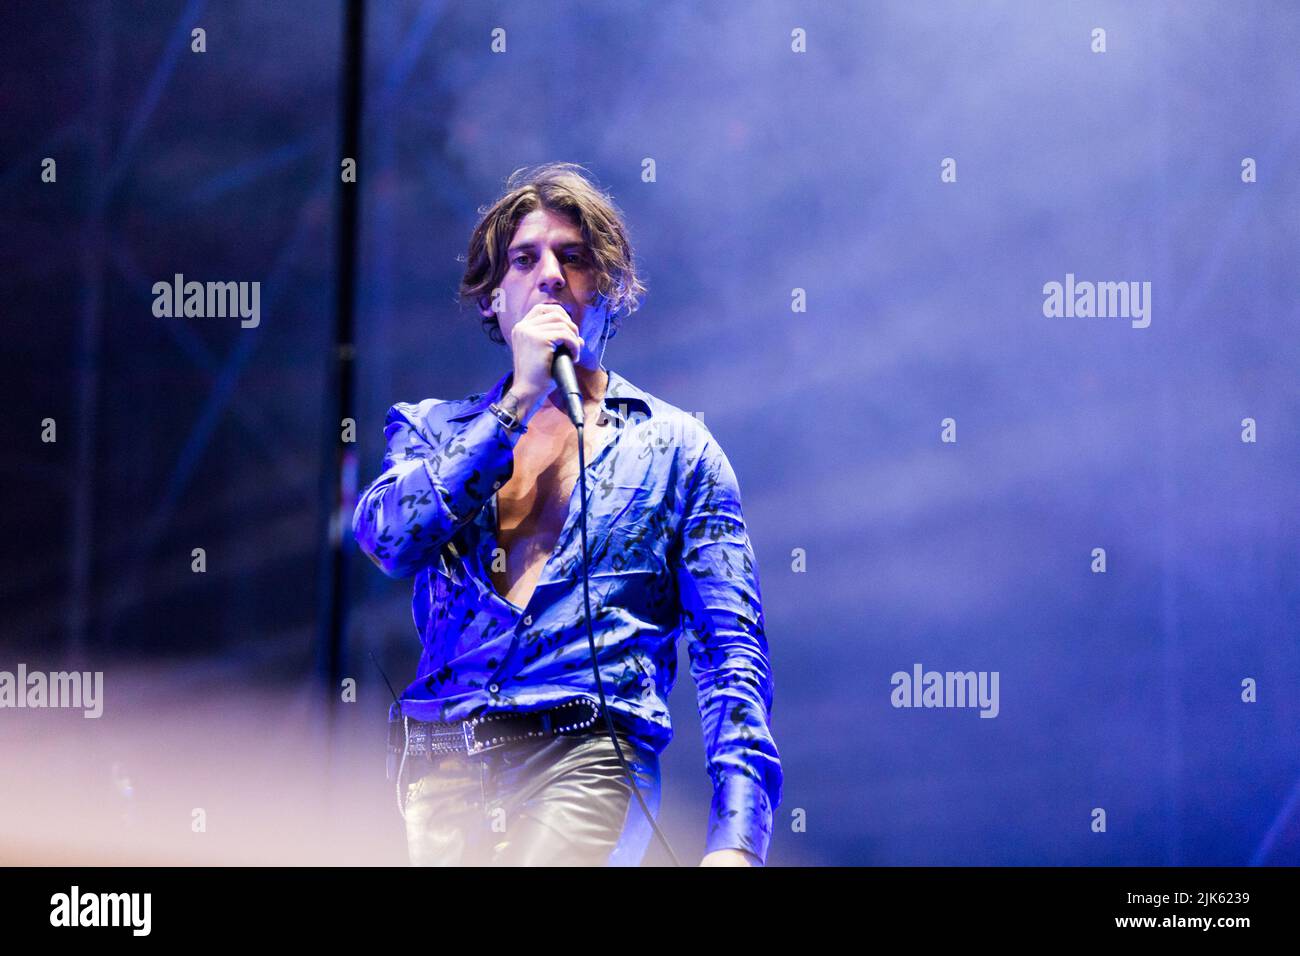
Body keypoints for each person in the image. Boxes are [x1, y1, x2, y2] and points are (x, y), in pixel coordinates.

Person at [352, 162, 781, 866]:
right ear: (492, 299)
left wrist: (737, 839)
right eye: (525, 259)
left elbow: (731, 651)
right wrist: (513, 406)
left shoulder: (678, 449)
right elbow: (389, 540)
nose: (550, 276)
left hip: (588, 758)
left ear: (611, 290)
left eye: (574, 258)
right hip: (439, 773)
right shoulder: (432, 430)